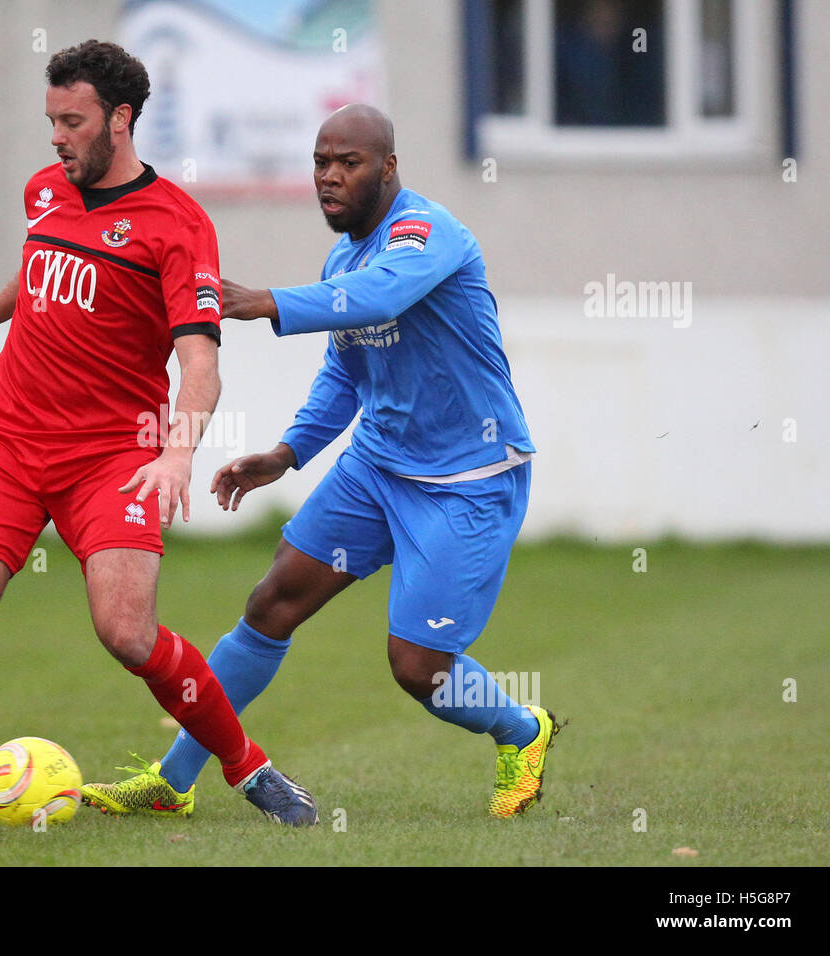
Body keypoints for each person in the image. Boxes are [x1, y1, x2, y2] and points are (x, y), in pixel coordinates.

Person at [0, 40, 316, 827]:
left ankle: (248, 768)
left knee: (127, 632)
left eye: (71, 121)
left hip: (113, 455)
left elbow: (200, 361)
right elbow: (41, 263)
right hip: (6, 436)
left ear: (120, 120)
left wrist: (177, 452)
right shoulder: (47, 190)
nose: (56, 137)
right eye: (50, 120)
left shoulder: (179, 227)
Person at [82, 104, 563, 820]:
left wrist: (267, 301)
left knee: (419, 668)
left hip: (469, 480)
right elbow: (346, 372)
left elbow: (384, 294)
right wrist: (286, 453)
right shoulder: (343, 256)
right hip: (378, 468)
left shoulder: (428, 234)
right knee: (272, 602)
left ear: (389, 168)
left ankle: (523, 732)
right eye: (320, 163)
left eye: (349, 163)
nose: (330, 178)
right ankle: (172, 781)